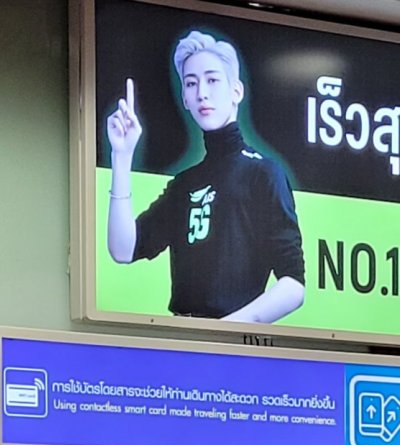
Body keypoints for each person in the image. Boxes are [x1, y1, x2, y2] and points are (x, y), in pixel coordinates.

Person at [106, 30, 305, 323]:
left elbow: (294, 284)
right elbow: (124, 249)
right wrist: (121, 157)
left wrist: (227, 331)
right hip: (182, 343)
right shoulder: (184, 184)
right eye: (191, 83)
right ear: (184, 98)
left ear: (236, 91)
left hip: (234, 351)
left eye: (212, 80)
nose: (202, 93)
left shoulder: (263, 173)